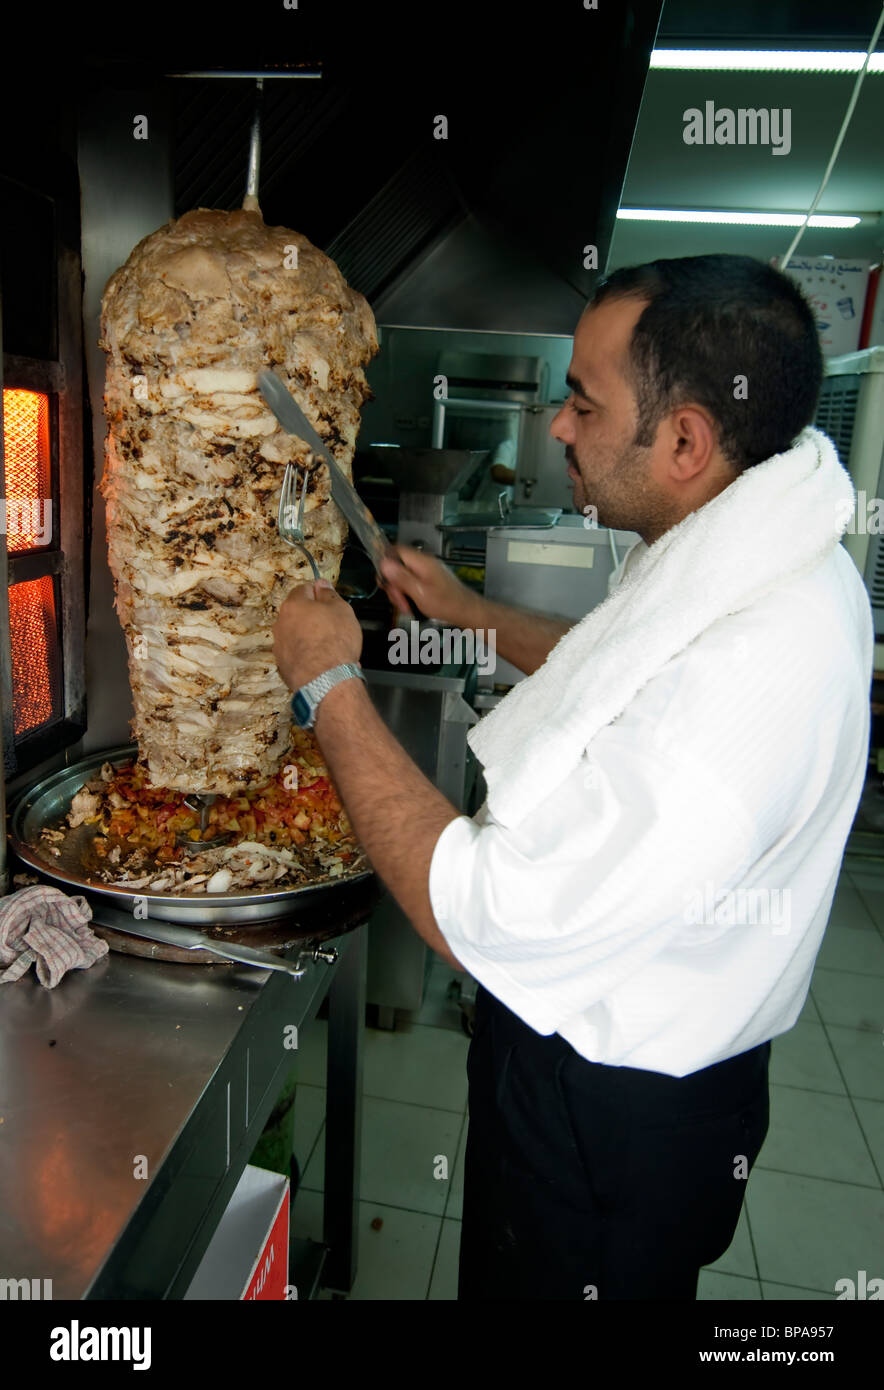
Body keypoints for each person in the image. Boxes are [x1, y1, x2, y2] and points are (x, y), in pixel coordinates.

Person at [272, 254, 873, 1300]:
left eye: (581, 402)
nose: (555, 426)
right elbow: (621, 668)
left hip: (612, 1108)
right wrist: (472, 613)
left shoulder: (747, 674)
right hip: (618, 1064)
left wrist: (327, 685)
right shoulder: (750, 542)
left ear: (685, 439)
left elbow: (482, 912)